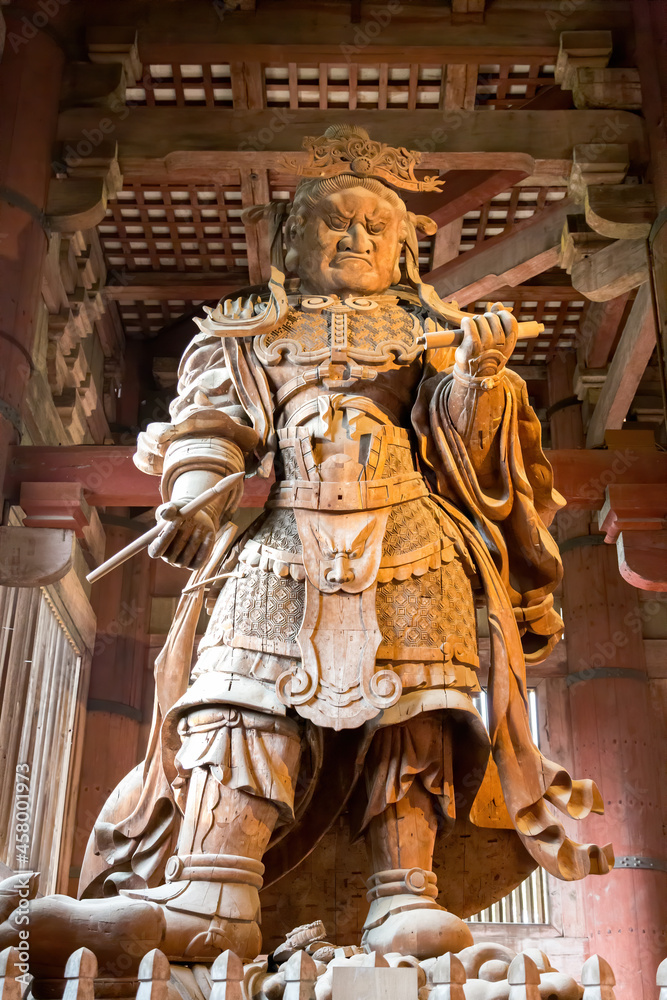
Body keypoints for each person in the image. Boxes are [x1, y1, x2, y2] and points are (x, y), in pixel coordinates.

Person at [0, 126, 612, 972]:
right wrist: (192, 493)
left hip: (410, 539)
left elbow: (467, 455)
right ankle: (215, 885)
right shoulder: (246, 332)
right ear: (292, 240)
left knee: (415, 710)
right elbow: (214, 426)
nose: (355, 239)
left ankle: (405, 889)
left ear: (404, 252)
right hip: (283, 537)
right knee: (235, 694)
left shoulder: (433, 334)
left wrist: (479, 378)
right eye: (335, 223)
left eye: (375, 228)